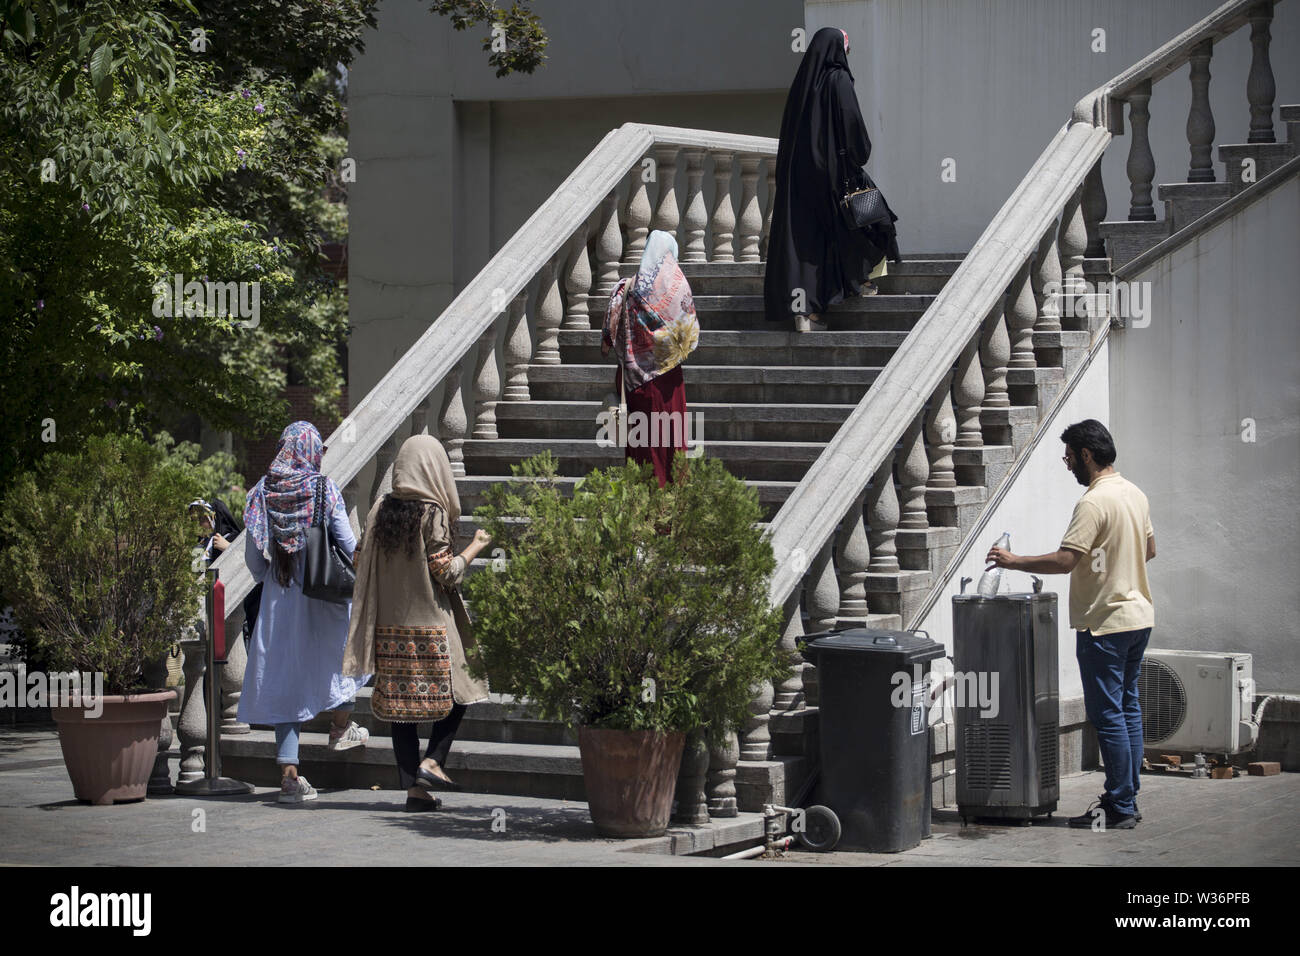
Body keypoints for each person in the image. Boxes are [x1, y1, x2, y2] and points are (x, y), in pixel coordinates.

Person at [985, 420, 1155, 830]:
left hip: (1104, 623)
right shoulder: (1134, 493)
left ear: (1086, 454)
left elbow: (1065, 561)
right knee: (1127, 708)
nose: (1066, 465)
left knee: (1109, 715)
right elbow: (1149, 549)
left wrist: (1015, 561)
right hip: (1138, 616)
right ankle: (1128, 797)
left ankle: (1118, 805)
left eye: (1068, 456)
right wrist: (1114, 568)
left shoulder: (1094, 502)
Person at [342, 434, 493, 812]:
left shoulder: (379, 510)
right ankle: (433, 761)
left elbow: (358, 561)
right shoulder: (432, 512)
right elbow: (446, 572)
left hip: (389, 629)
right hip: (431, 627)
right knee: (464, 689)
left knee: (400, 709)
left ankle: (414, 790)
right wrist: (476, 545)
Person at [238, 422, 371, 804]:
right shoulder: (322, 488)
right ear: (310, 450)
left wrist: (271, 579)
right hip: (323, 595)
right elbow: (346, 543)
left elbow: (253, 558)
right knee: (342, 659)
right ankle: (340, 728)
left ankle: (290, 777)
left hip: (280, 600)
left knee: (285, 678)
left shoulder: (261, 492)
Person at [764, 26, 899, 333]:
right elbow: (853, 130)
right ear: (839, 50)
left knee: (809, 240)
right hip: (835, 174)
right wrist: (859, 153)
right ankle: (861, 281)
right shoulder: (838, 80)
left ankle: (805, 312)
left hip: (800, 179)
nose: (847, 56)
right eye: (846, 50)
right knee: (870, 218)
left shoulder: (803, 84)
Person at [601, 229, 699, 487]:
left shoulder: (622, 289)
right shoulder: (677, 289)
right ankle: (669, 515)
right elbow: (691, 338)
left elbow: (606, 339)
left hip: (632, 381)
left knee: (640, 448)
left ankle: (640, 516)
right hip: (667, 383)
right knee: (669, 447)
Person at [188, 497, 263, 645]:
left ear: (213, 517)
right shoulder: (200, 547)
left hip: (244, 610)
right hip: (211, 609)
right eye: (195, 520)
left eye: (203, 518)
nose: (199, 524)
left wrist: (228, 547)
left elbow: (252, 563)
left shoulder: (232, 538)